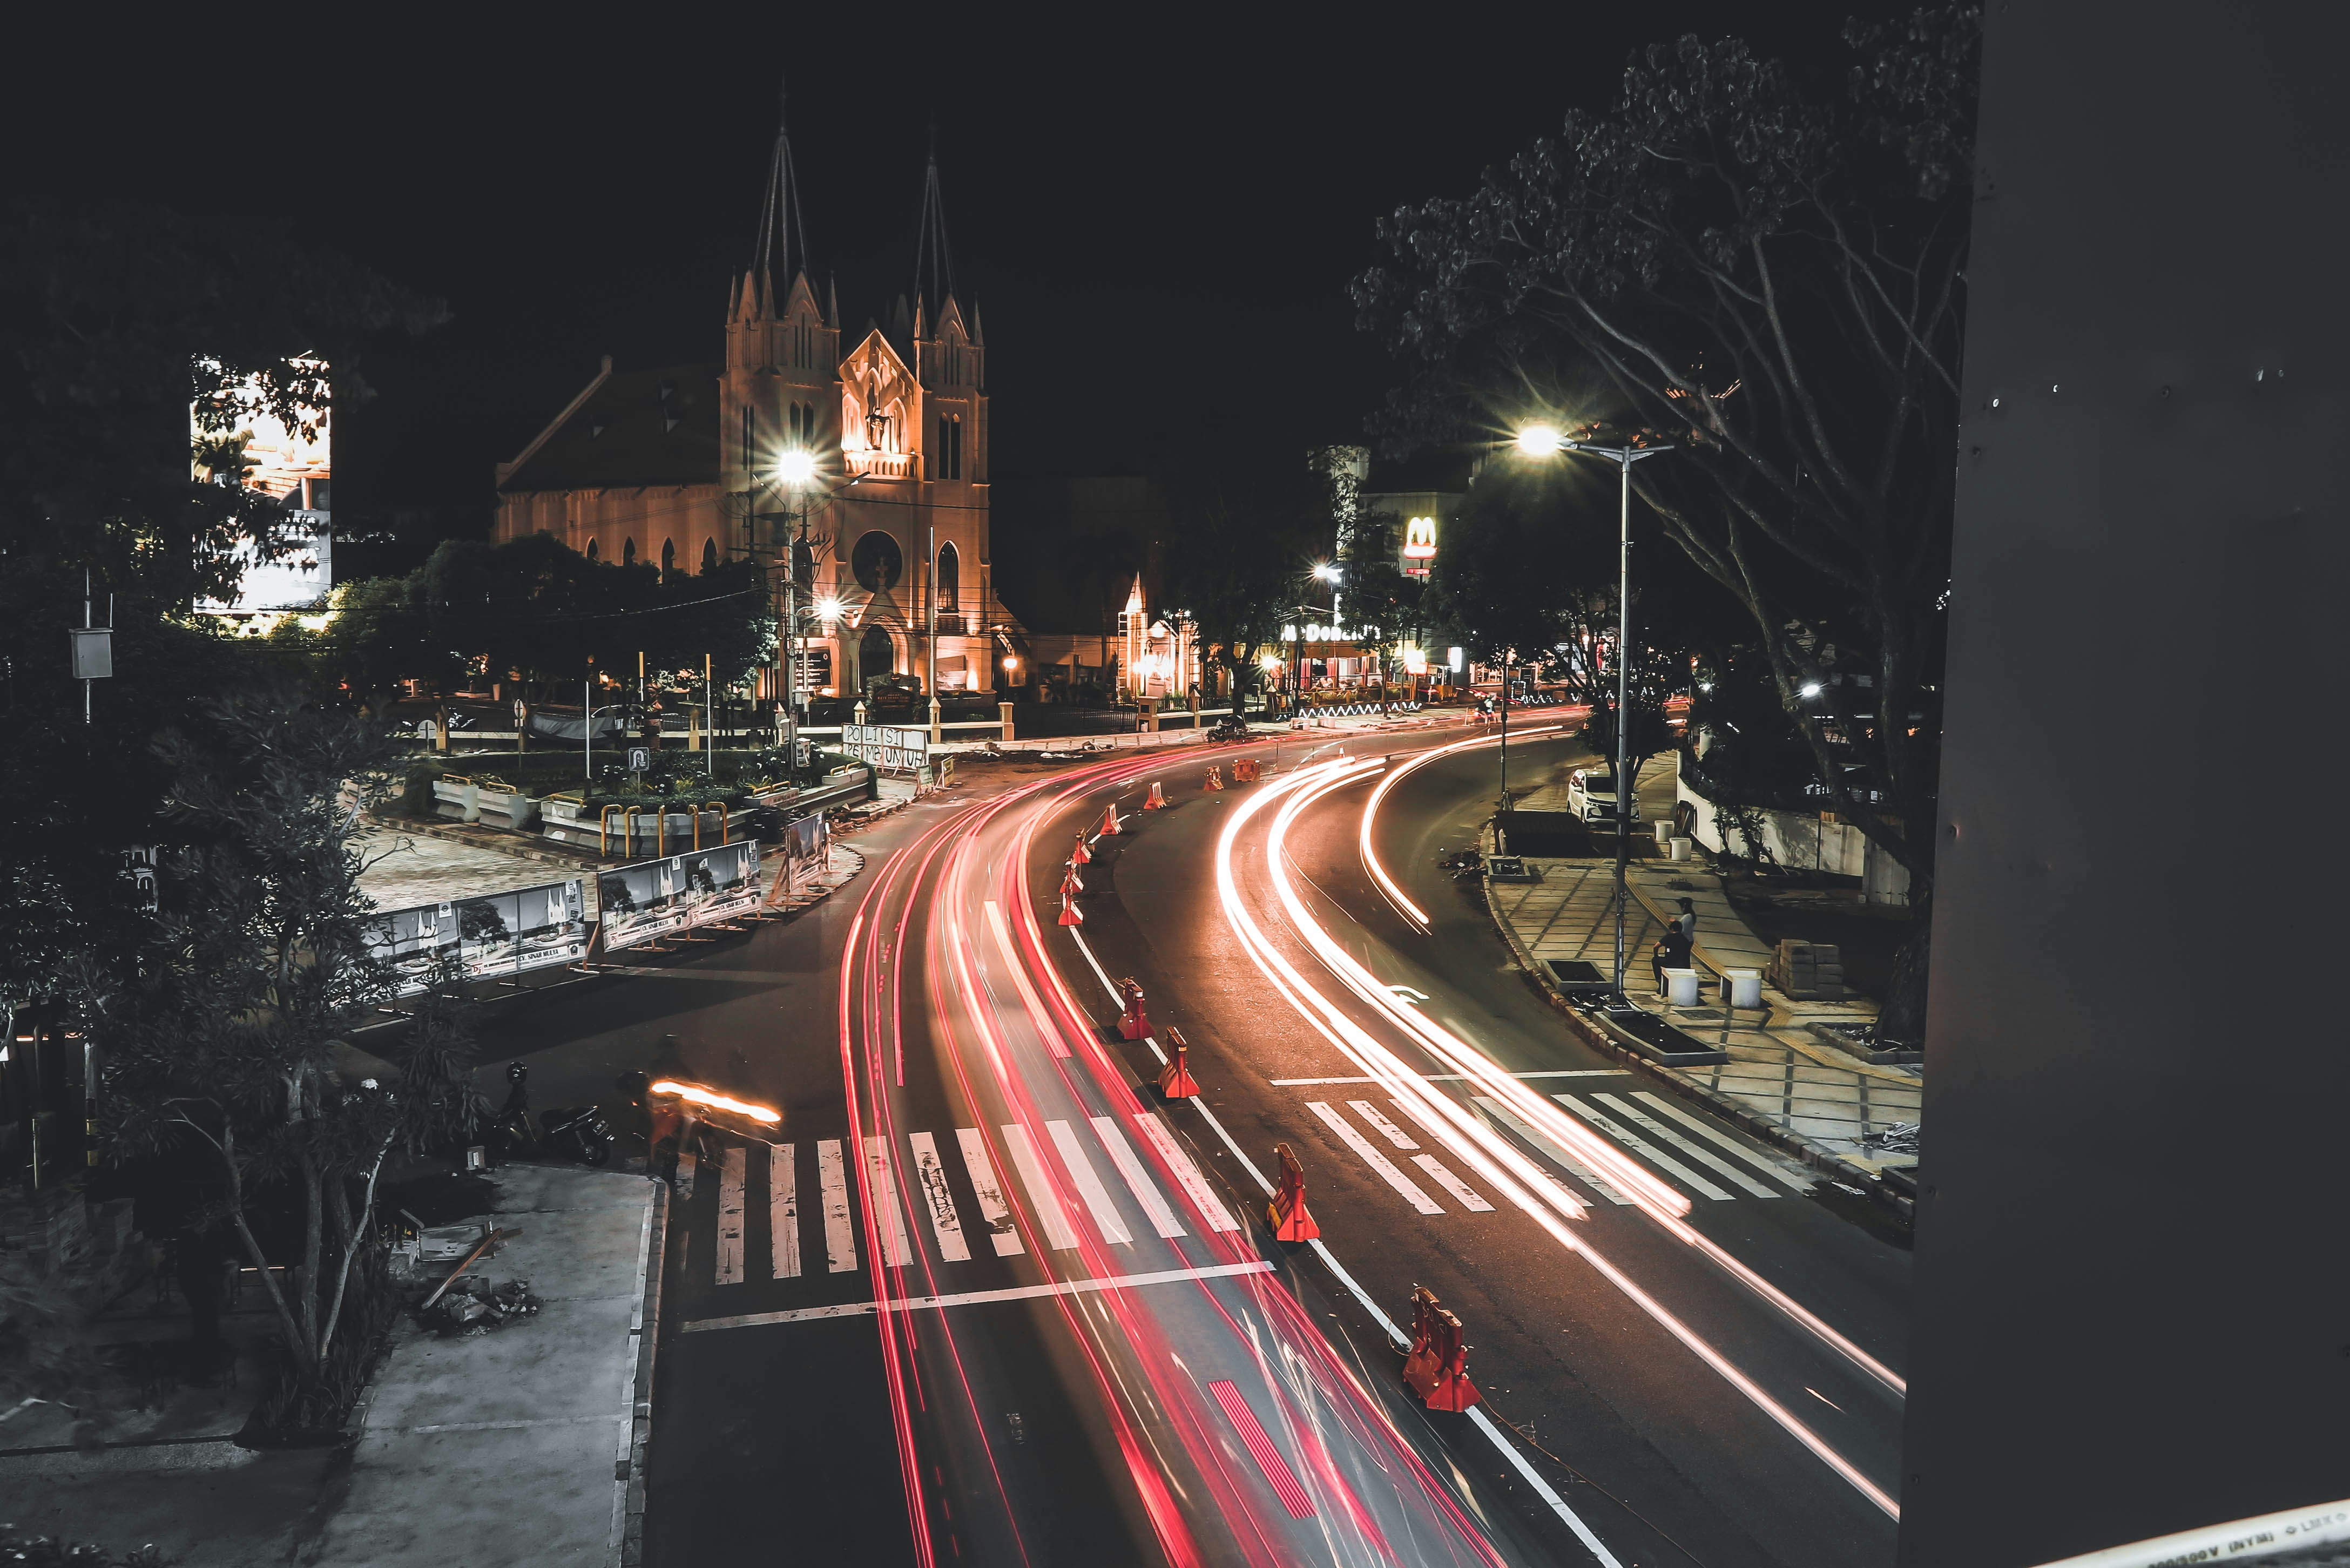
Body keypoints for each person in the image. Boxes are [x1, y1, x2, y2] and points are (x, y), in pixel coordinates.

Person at [1653, 923, 1693, 993]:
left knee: (1655, 960)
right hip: (1683, 965)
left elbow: (1656, 947)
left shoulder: (1669, 937)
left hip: (1670, 963)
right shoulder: (1685, 939)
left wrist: (1656, 955)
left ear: (1672, 929)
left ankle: (1660, 982)